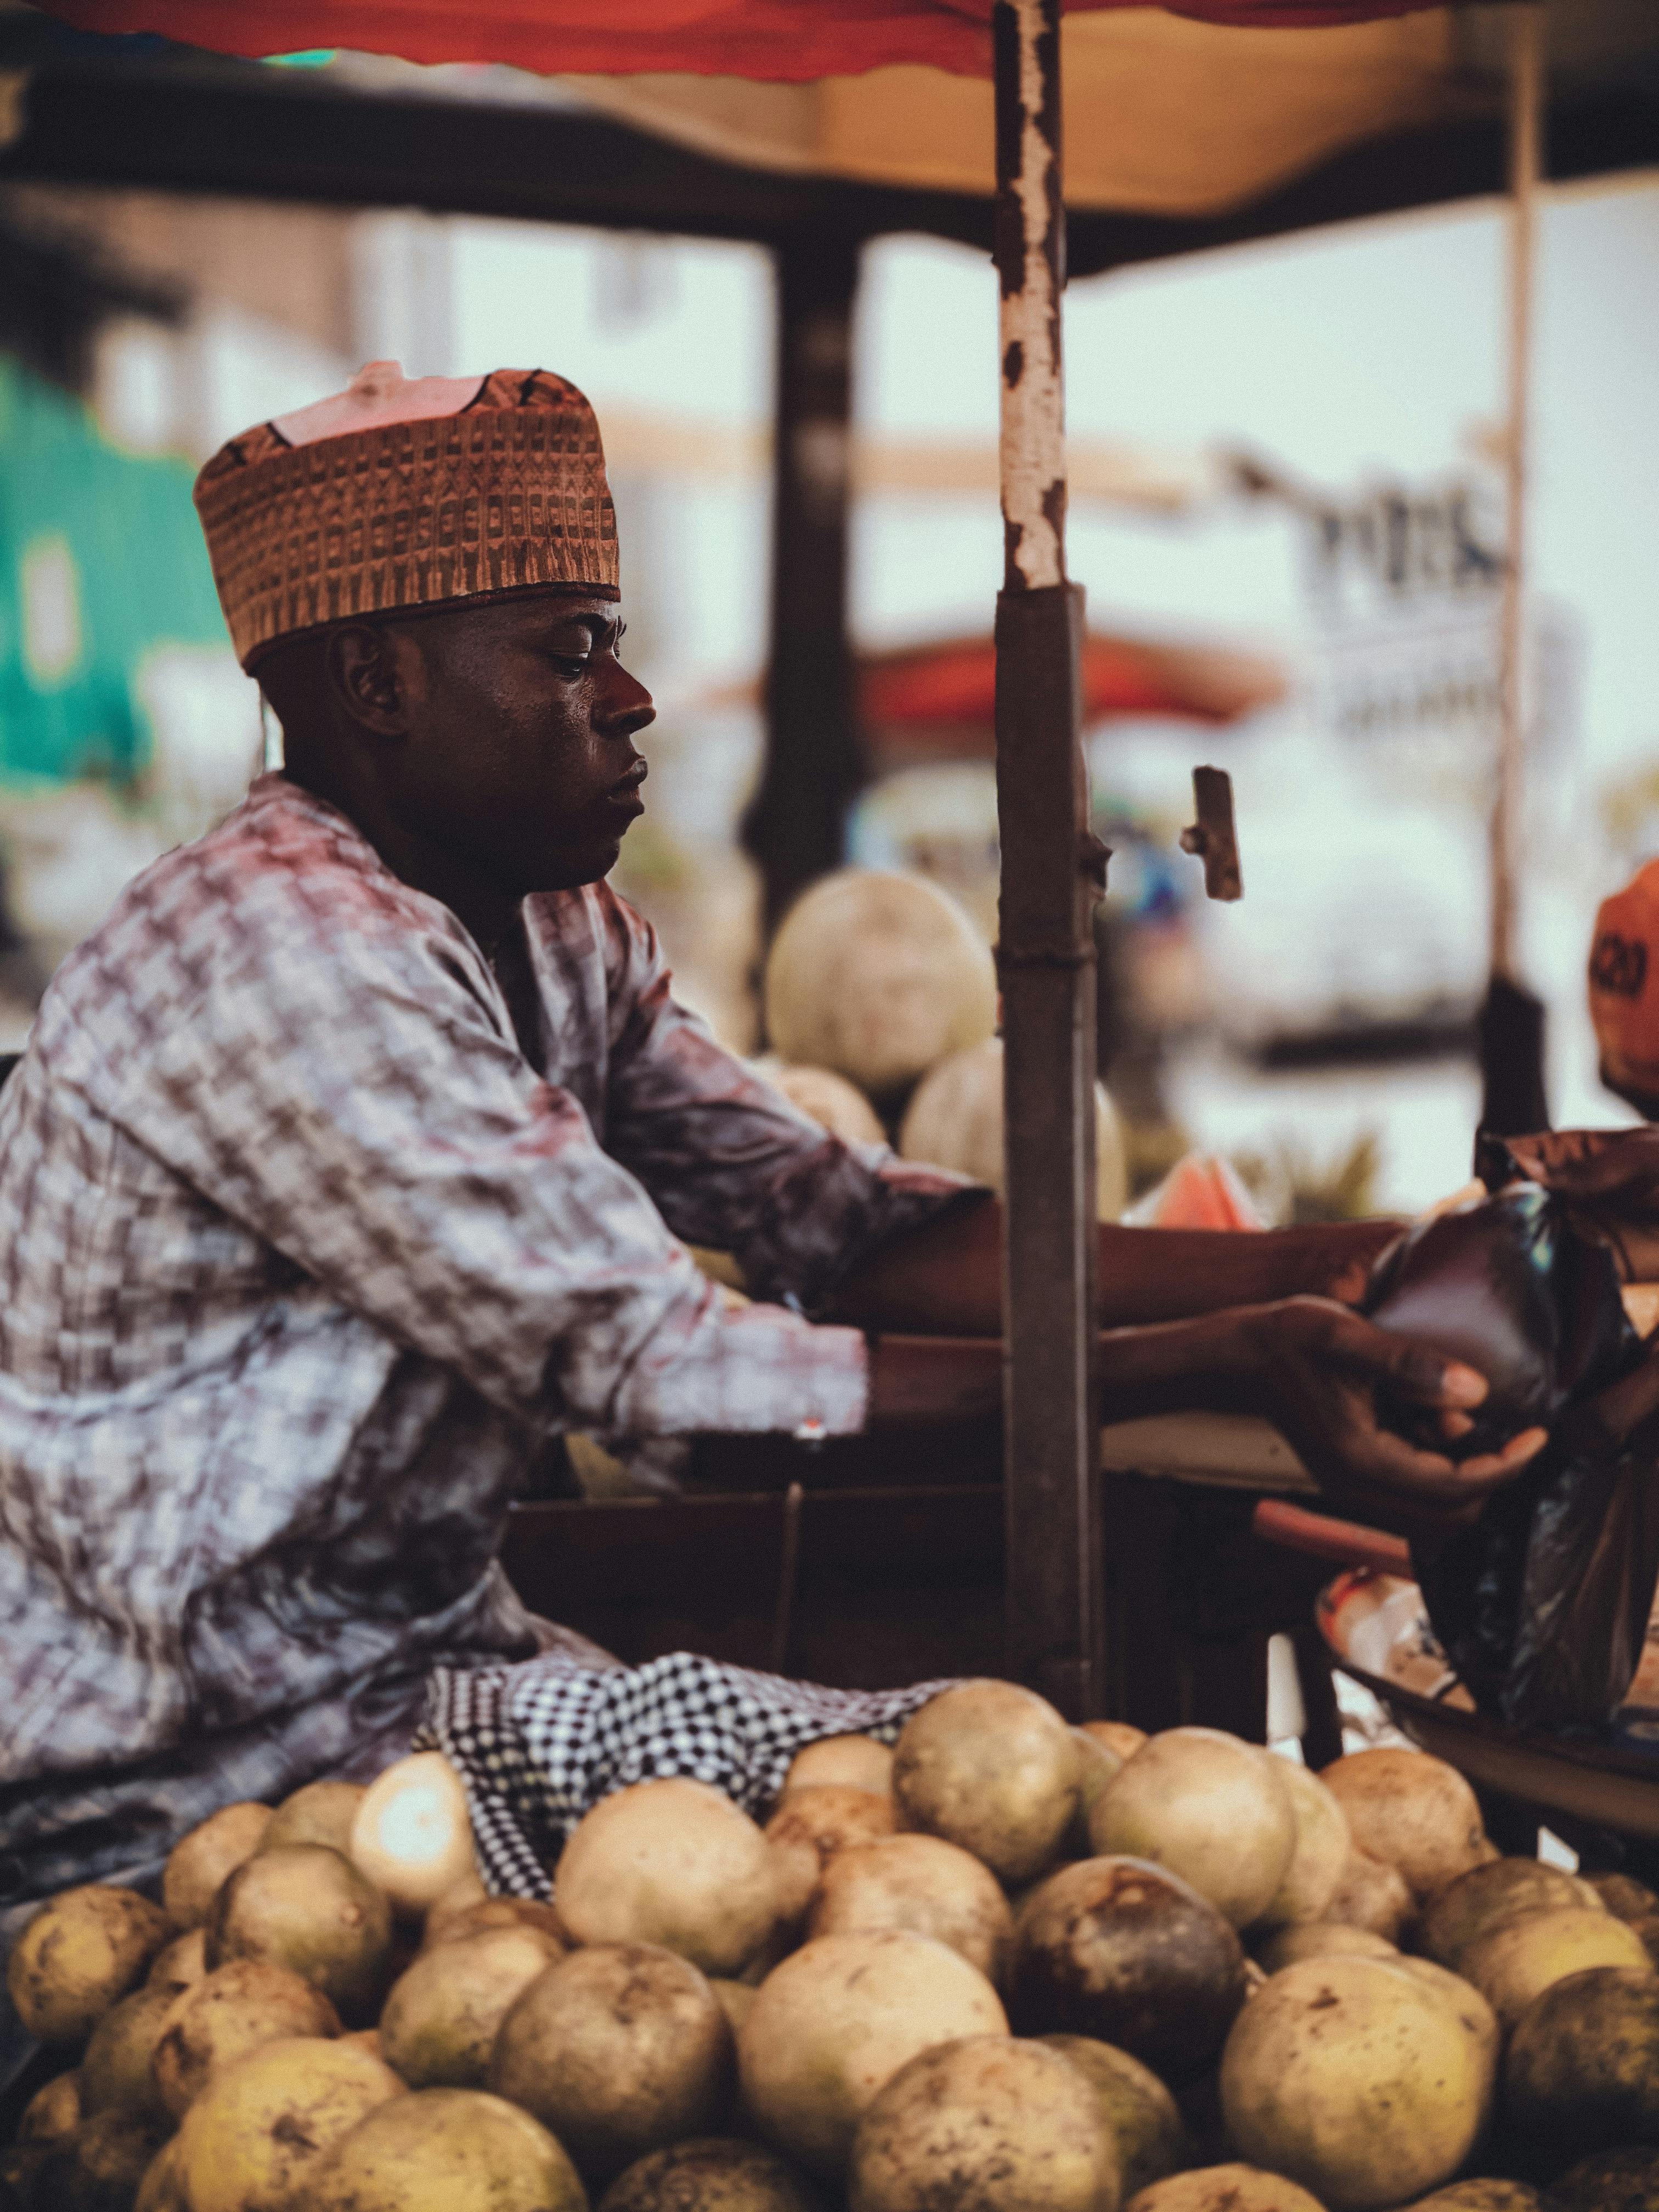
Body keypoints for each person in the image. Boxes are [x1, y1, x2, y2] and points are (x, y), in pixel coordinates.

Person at [0, 364, 1545, 1912]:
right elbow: (677, 1381)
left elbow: (849, 1225)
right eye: (573, 651)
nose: (632, 694)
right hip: (171, 1789)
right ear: (381, 689)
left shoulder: (553, 926)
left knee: (1008, 1797)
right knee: (985, 1843)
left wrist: (1364, 1264)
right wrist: (1212, 1356)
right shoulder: (288, 957)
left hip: (417, 1689)